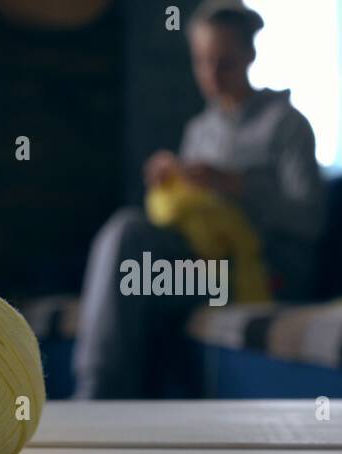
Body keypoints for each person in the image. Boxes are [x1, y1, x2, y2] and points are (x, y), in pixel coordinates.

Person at [72, 0, 325, 399]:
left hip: (257, 275)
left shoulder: (287, 124)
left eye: (224, 62)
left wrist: (235, 184)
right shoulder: (200, 130)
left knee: (134, 271)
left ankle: (99, 397)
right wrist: (167, 186)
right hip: (199, 268)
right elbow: (185, 218)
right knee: (128, 235)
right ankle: (111, 395)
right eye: (202, 62)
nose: (212, 76)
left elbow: (309, 218)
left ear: (250, 55)